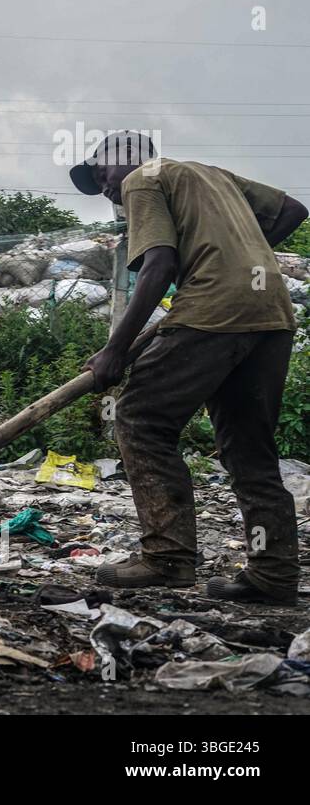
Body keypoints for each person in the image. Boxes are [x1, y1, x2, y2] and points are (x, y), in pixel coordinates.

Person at [71, 131, 307, 605]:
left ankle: (167, 558)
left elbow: (158, 265)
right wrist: (241, 259)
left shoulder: (142, 178)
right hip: (271, 314)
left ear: (128, 158)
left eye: (101, 174)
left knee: (141, 418)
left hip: (211, 313)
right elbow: (293, 210)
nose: (104, 189)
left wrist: (115, 350)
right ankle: (273, 573)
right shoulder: (212, 174)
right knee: (249, 449)